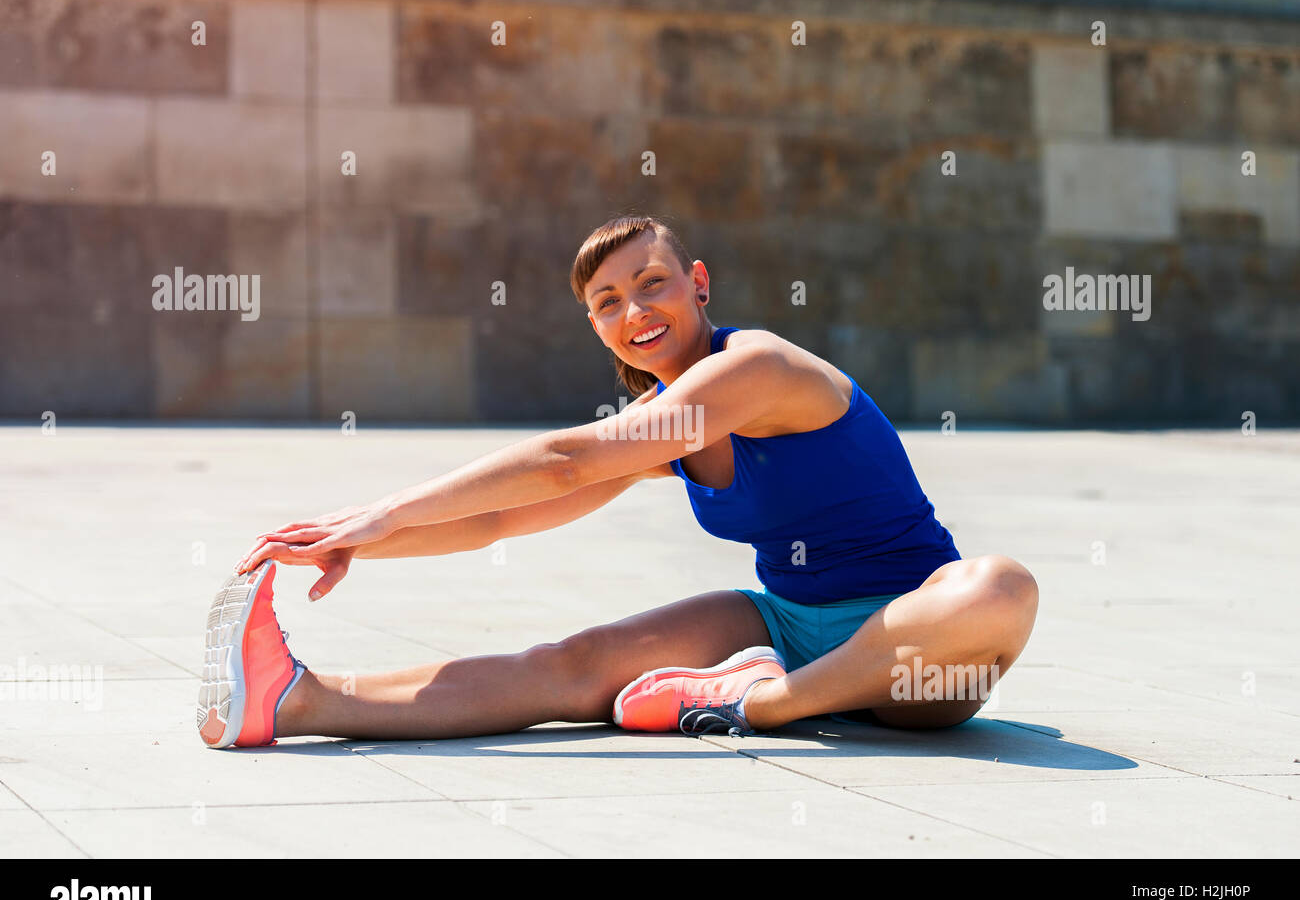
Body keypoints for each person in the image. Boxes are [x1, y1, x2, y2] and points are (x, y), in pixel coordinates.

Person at [197, 214, 1038, 749]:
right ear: (597, 326)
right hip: (785, 623)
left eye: (652, 284)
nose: (635, 312)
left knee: (1000, 587)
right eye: (608, 302)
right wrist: (351, 544)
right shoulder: (668, 427)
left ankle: (765, 705)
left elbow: (570, 458)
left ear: (698, 284)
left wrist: (384, 509)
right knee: (574, 661)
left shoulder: (758, 367)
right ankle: (295, 701)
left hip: (915, 651)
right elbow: (504, 520)